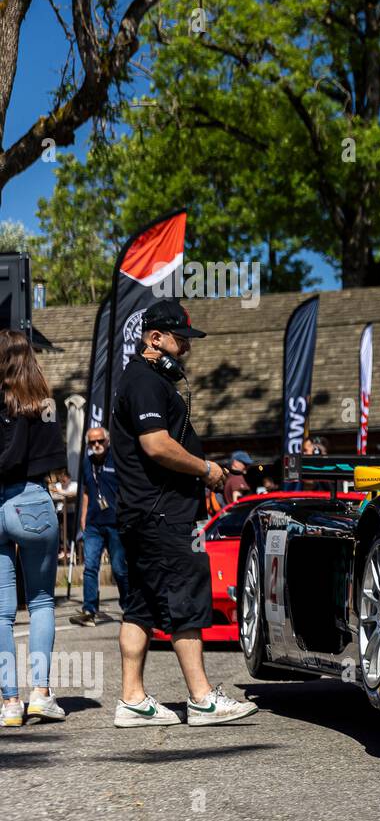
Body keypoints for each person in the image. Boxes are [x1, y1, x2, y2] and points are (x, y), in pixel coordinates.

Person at [110, 300, 257, 727]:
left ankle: (132, 700)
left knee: (139, 605)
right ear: (154, 338)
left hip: (145, 513)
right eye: (180, 340)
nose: (186, 350)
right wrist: (207, 469)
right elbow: (155, 444)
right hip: (163, 515)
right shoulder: (143, 382)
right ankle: (202, 699)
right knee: (187, 599)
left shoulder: (146, 380)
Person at [0, 331, 66, 725]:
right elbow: (54, 461)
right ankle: (40, 693)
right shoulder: (44, 403)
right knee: (41, 601)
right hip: (32, 501)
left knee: (1, 612)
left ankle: (9, 702)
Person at [75, 427, 129, 626]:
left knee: (119, 569)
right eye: (92, 442)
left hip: (116, 524)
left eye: (99, 441)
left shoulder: (117, 460)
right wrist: (83, 516)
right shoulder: (86, 463)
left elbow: (127, 488)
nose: (96, 445)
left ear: (107, 441)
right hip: (93, 525)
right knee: (90, 567)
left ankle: (128, 607)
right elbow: (87, 491)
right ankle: (89, 609)